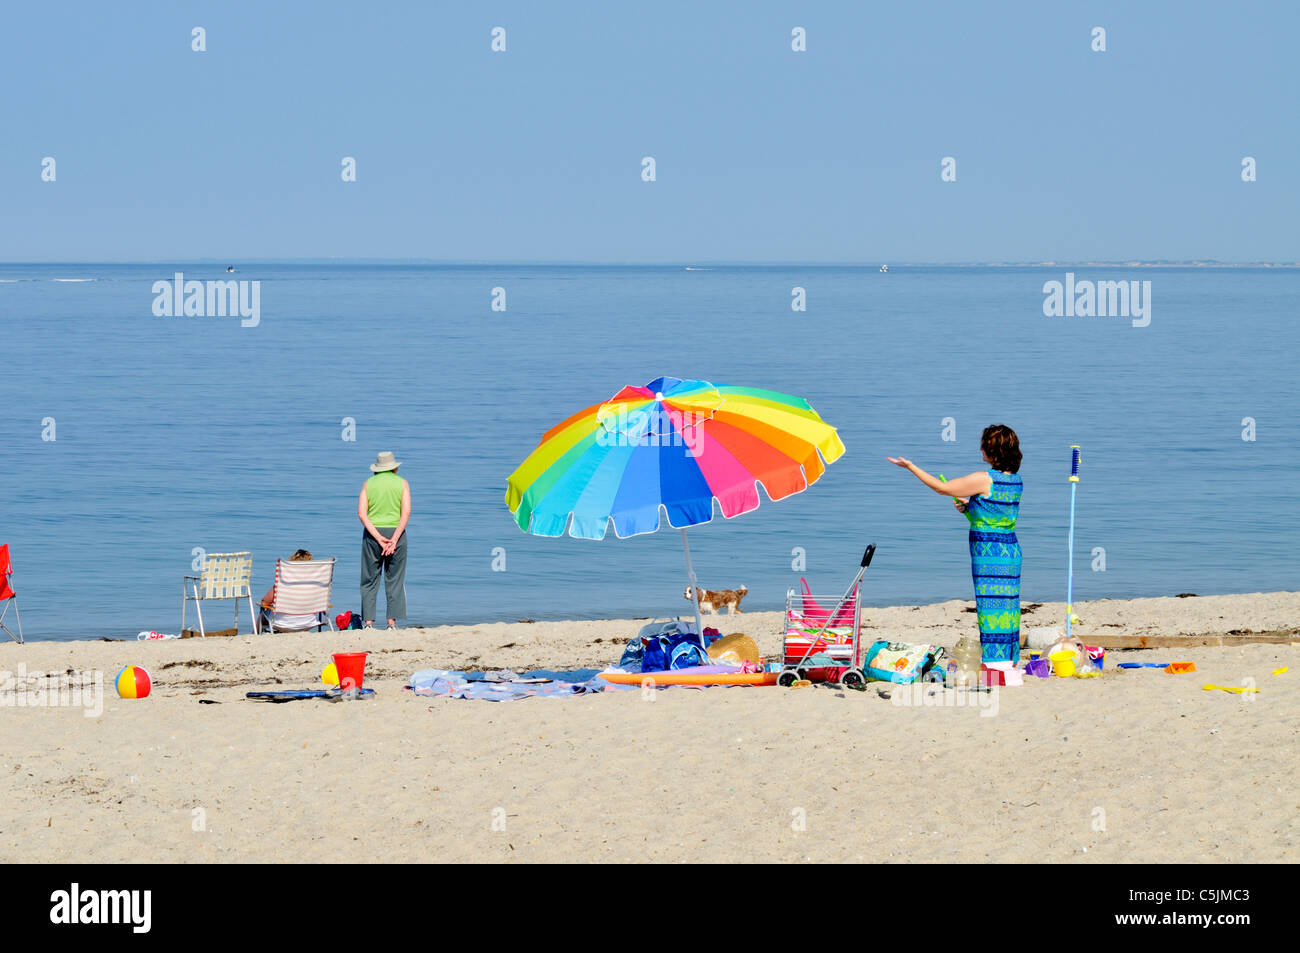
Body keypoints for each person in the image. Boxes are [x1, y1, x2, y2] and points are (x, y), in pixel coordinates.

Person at [887, 424, 1023, 663]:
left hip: (989, 555)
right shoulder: (1016, 481)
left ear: (993, 451)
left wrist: (911, 467)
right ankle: (1008, 660)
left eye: (985, 446)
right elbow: (997, 517)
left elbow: (942, 488)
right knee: (1008, 608)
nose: (981, 449)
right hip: (1010, 551)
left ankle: (994, 663)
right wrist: (970, 508)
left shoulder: (984, 479)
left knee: (990, 608)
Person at [358, 451, 411, 629]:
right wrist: (394, 539)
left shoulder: (368, 484)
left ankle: (368, 623)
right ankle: (391, 622)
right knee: (394, 579)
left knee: (369, 579)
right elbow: (406, 513)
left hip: (373, 536)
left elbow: (362, 514)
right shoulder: (402, 483)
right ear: (394, 467)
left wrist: (379, 538)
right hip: (397, 532)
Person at [257, 549, 321, 632]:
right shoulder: (316, 584)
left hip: (282, 624)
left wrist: (264, 604)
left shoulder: (283, 582)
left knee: (264, 609)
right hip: (309, 622)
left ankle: (255, 634)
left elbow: (265, 601)